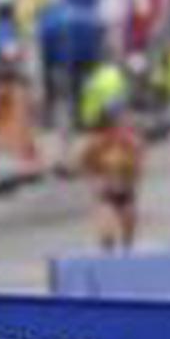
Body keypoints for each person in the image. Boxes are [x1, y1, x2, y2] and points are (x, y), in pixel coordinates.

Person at [72, 99, 145, 253]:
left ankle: (126, 256)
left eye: (126, 121)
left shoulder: (132, 143)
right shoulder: (97, 143)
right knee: (107, 231)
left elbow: (138, 166)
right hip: (105, 194)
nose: (124, 125)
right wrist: (95, 182)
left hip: (126, 192)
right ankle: (107, 256)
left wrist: (131, 179)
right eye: (120, 121)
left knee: (128, 228)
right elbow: (84, 164)